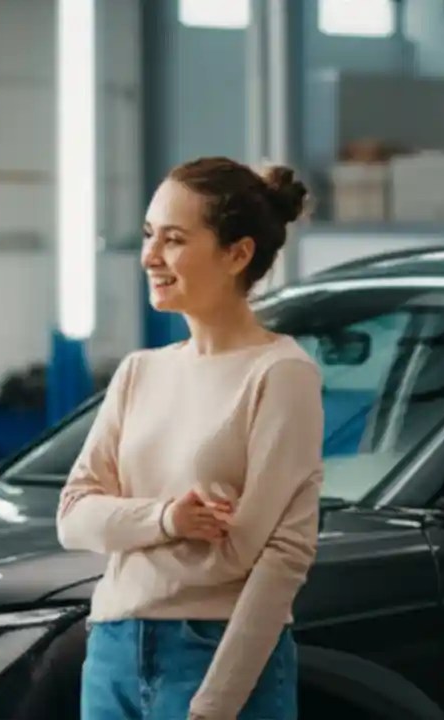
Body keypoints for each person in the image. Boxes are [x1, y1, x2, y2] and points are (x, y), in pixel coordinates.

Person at [56, 156, 323, 720]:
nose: (150, 256)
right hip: (112, 653)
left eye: (174, 240)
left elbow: (281, 556)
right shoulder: (138, 372)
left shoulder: (280, 373)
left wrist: (214, 704)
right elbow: (73, 518)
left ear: (237, 253)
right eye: (150, 236)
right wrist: (167, 520)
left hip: (215, 654)